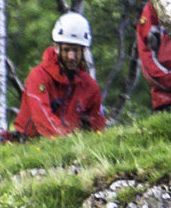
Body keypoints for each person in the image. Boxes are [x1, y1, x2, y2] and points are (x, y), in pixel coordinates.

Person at [9, 13, 105, 141]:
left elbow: (98, 126)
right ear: (56, 48)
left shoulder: (89, 86)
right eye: (66, 50)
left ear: (84, 50)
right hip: (32, 145)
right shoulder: (38, 77)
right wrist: (69, 140)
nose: (71, 56)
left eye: (76, 50)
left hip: (73, 148)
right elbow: (42, 119)